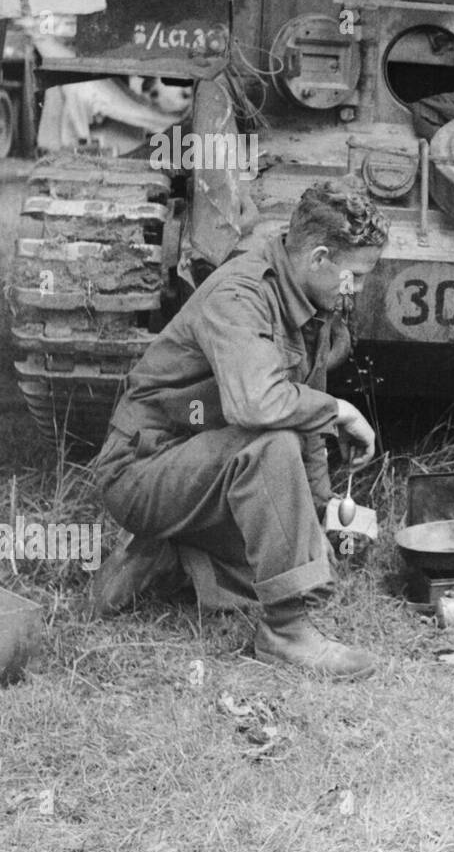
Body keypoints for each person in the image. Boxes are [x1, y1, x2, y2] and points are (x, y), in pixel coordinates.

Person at [91, 178, 388, 679]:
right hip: (142, 470)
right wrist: (342, 409)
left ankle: (175, 557)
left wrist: (317, 517)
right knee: (267, 443)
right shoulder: (240, 293)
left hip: (201, 470)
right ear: (318, 258)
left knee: (307, 557)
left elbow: (306, 429)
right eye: (353, 275)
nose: (354, 289)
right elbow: (258, 405)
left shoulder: (309, 306)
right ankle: (284, 632)